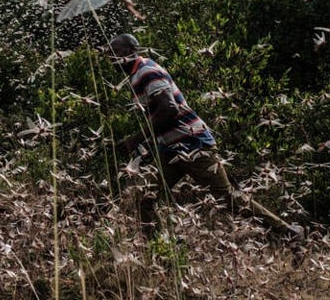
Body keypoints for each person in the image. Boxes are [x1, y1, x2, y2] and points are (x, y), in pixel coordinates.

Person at [109, 33, 301, 239]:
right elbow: (159, 115)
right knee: (145, 198)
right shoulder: (136, 75)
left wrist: (136, 138)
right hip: (172, 149)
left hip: (192, 145)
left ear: (130, 52)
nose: (111, 59)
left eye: (116, 53)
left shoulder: (147, 71)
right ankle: (160, 253)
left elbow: (168, 109)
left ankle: (289, 234)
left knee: (229, 200)